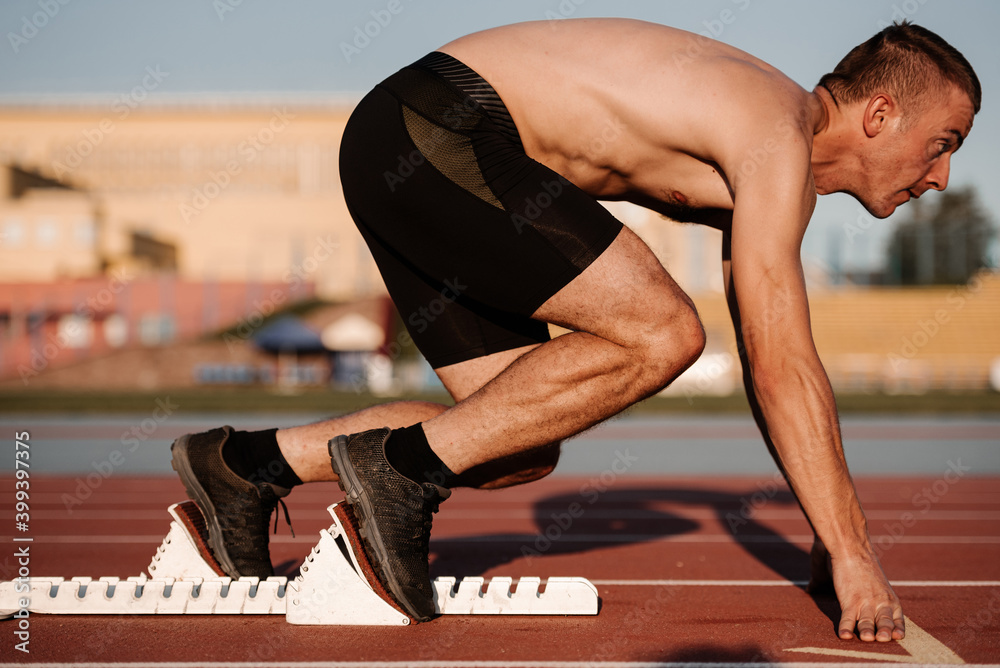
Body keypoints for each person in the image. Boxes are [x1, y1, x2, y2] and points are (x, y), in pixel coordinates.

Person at [169, 18, 979, 640]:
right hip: (440, 129)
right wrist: (853, 552)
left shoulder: (767, 167)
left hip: (406, 142)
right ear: (879, 113)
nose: (942, 177)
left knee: (512, 441)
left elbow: (775, 366)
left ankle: (245, 465)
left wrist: (834, 533)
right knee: (665, 332)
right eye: (942, 144)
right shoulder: (775, 133)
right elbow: (784, 363)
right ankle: (400, 474)